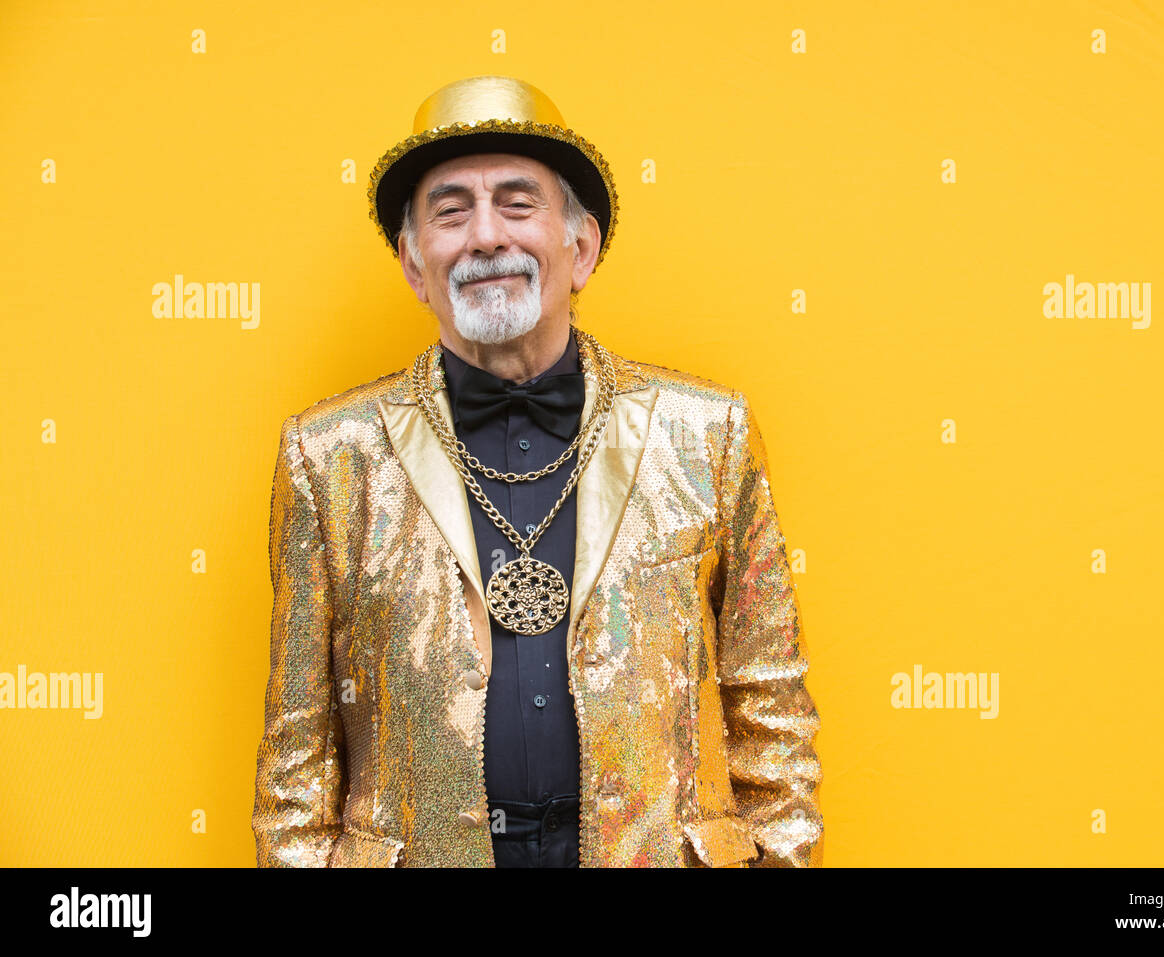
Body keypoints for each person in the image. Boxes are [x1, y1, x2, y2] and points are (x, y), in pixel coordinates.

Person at [251, 74, 823, 867]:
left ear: (579, 247)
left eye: (517, 202)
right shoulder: (325, 457)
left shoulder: (710, 434)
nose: (485, 235)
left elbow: (773, 708)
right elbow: (296, 757)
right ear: (416, 265)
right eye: (451, 210)